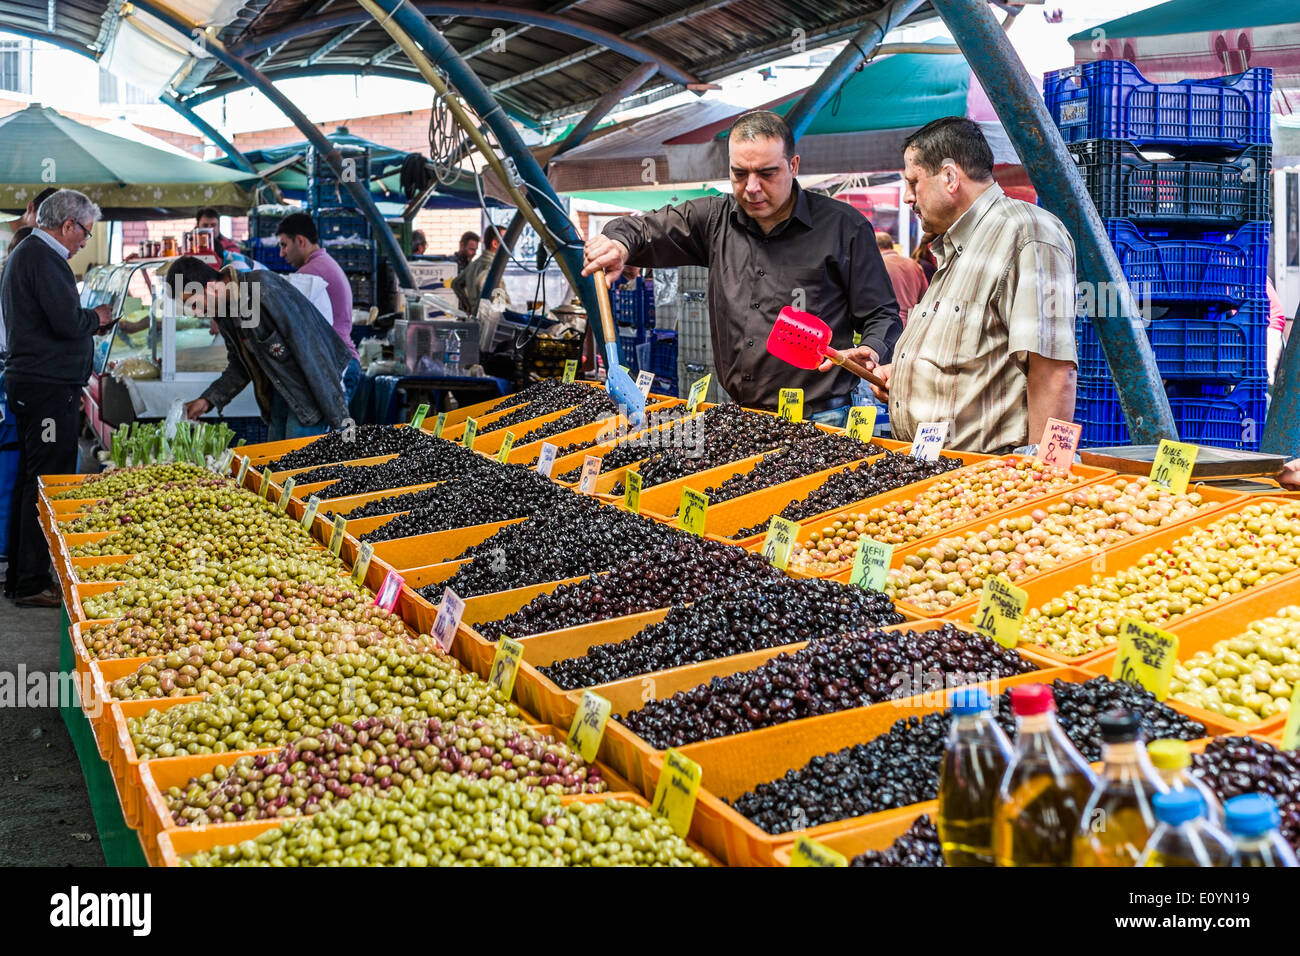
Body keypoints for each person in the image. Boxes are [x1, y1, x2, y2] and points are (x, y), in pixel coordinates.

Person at [583, 110, 900, 424]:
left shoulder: (844, 228)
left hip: (821, 417)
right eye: (739, 173)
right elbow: (645, 230)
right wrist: (619, 244)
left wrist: (872, 349)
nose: (751, 187)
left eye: (766, 173)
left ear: (793, 166)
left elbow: (881, 313)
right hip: (740, 414)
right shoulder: (713, 219)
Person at [872, 117, 1078, 455]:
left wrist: (1044, 475)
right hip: (933, 470)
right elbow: (974, 355)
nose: (908, 197)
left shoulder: (1027, 233)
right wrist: (907, 373)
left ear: (950, 177)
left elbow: (1054, 370)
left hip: (986, 477)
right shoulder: (956, 246)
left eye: (913, 182)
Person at [1, 189, 114, 607]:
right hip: (46, 389)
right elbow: (66, 322)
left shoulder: (34, 254)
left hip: (41, 385)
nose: (85, 241)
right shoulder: (41, 256)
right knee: (45, 482)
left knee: (34, 479)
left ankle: (24, 575)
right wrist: (96, 318)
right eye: (84, 232)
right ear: (68, 225)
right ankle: (30, 582)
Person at [167, 256, 352, 442]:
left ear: (210, 288)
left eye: (194, 304)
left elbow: (314, 353)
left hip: (311, 394)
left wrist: (341, 422)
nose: (197, 313)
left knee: (296, 468)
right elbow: (241, 366)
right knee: (277, 463)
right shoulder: (224, 312)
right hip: (281, 393)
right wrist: (207, 400)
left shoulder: (263, 290)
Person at [276, 212, 361, 403]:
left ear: (300, 240)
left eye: (284, 245)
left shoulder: (310, 274)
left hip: (336, 366)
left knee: (327, 433)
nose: (281, 253)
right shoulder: (324, 264)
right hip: (344, 362)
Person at [875, 230, 928, 325]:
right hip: (912, 324)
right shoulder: (914, 265)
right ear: (891, 245)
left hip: (885, 325)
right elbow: (925, 297)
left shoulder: (876, 265)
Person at [452, 228, 504, 317]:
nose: (473, 253)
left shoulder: (472, 264)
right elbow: (480, 283)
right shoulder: (453, 265)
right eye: (471, 249)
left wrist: (469, 306)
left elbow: (456, 284)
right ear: (461, 245)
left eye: (475, 250)